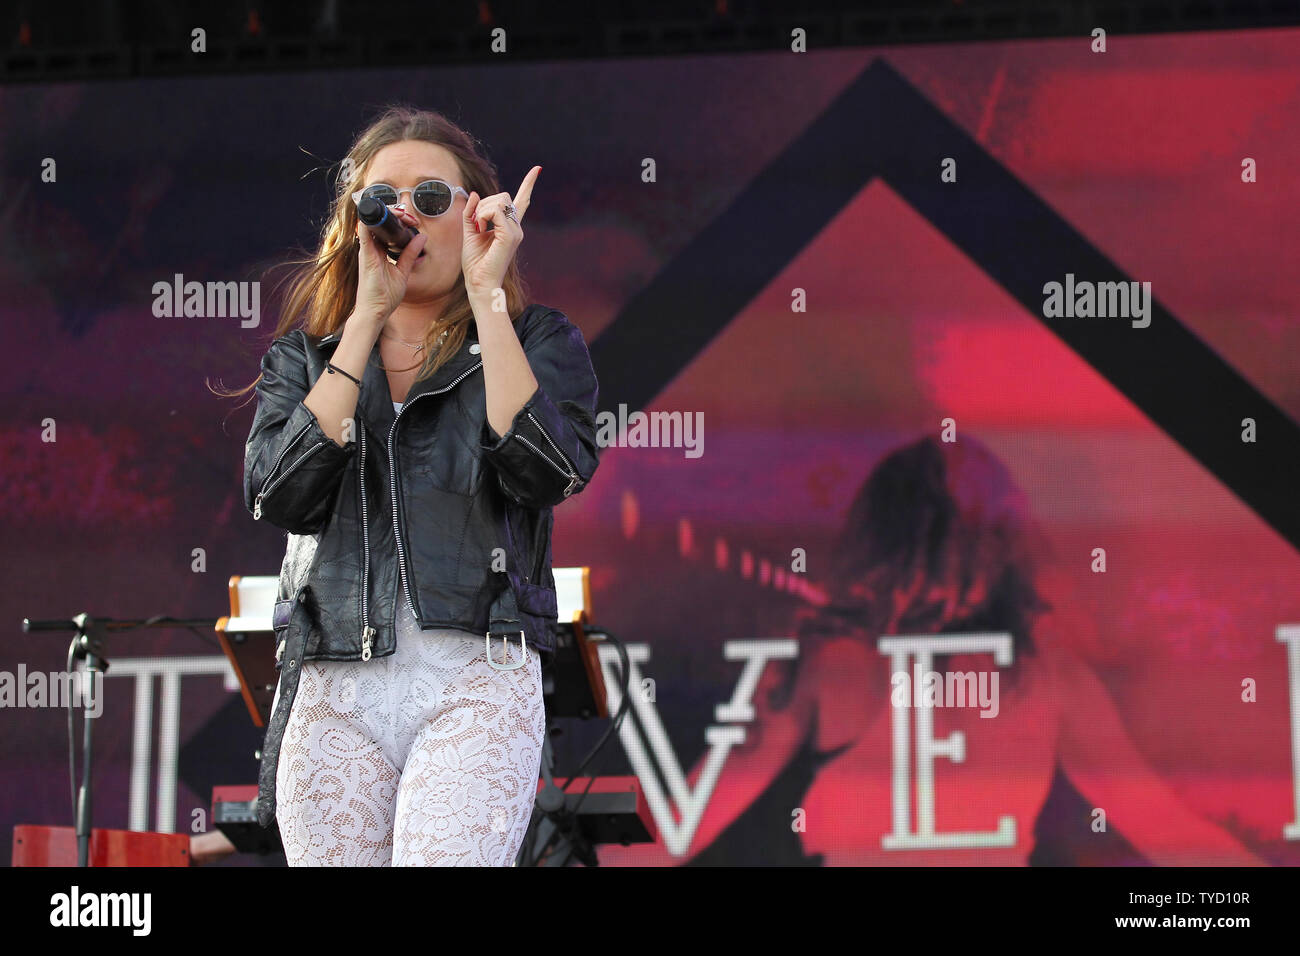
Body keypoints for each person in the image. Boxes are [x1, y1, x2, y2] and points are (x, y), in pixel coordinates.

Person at [597, 436, 1264, 866]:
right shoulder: (1049, 677)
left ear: (880, 535)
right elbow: (1171, 832)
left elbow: (678, 829)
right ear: (1006, 545)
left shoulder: (834, 665)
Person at [229, 105, 600, 866]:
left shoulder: (537, 340)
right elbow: (278, 493)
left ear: (474, 214)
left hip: (476, 676)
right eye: (380, 203)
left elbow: (547, 472)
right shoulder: (305, 361)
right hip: (334, 686)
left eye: (431, 199)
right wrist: (365, 320)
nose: (404, 217)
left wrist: (488, 297)